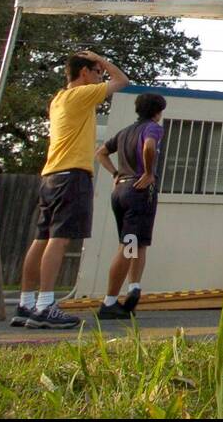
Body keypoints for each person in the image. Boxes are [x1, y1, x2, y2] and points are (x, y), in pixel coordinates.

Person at [16, 50, 129, 329]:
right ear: (84, 73)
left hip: (51, 174)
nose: (100, 75)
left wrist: (95, 63)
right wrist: (102, 59)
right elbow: (122, 80)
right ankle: (45, 305)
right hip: (72, 174)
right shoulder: (81, 95)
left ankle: (26, 302)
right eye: (96, 71)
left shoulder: (57, 100)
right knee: (60, 238)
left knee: (41, 238)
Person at [93, 91, 166, 320]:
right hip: (138, 190)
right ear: (157, 112)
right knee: (129, 244)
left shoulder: (125, 132)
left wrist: (115, 172)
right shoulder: (152, 128)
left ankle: (133, 287)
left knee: (137, 243)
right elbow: (149, 147)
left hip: (120, 189)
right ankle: (109, 301)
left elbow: (101, 152)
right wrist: (147, 172)